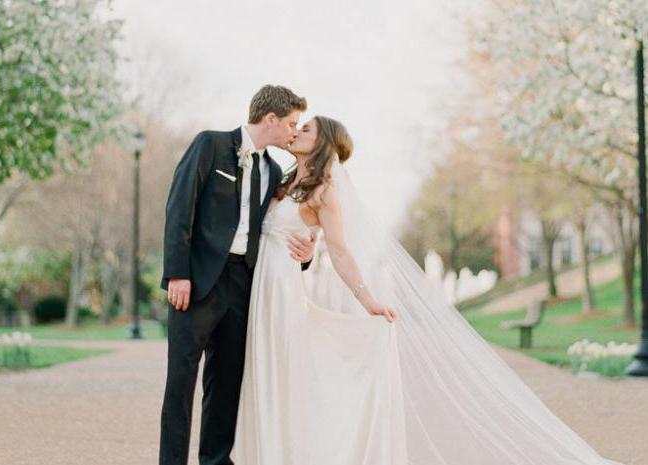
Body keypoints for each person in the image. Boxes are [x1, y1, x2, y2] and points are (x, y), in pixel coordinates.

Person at [233, 115, 626, 465]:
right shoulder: (280, 178)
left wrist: (368, 300)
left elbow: (339, 250)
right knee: (264, 371)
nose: (297, 131)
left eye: (307, 129)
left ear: (321, 143)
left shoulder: (324, 192)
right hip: (259, 285)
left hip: (282, 291)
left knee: (280, 370)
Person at [158, 85, 317, 465]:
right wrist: (178, 273)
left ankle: (214, 460)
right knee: (180, 382)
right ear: (271, 119)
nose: (294, 132)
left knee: (226, 381)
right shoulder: (209, 145)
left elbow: (279, 228)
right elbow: (180, 209)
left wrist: (307, 255)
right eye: (292, 124)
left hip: (244, 284)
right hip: (196, 282)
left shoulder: (273, 170)